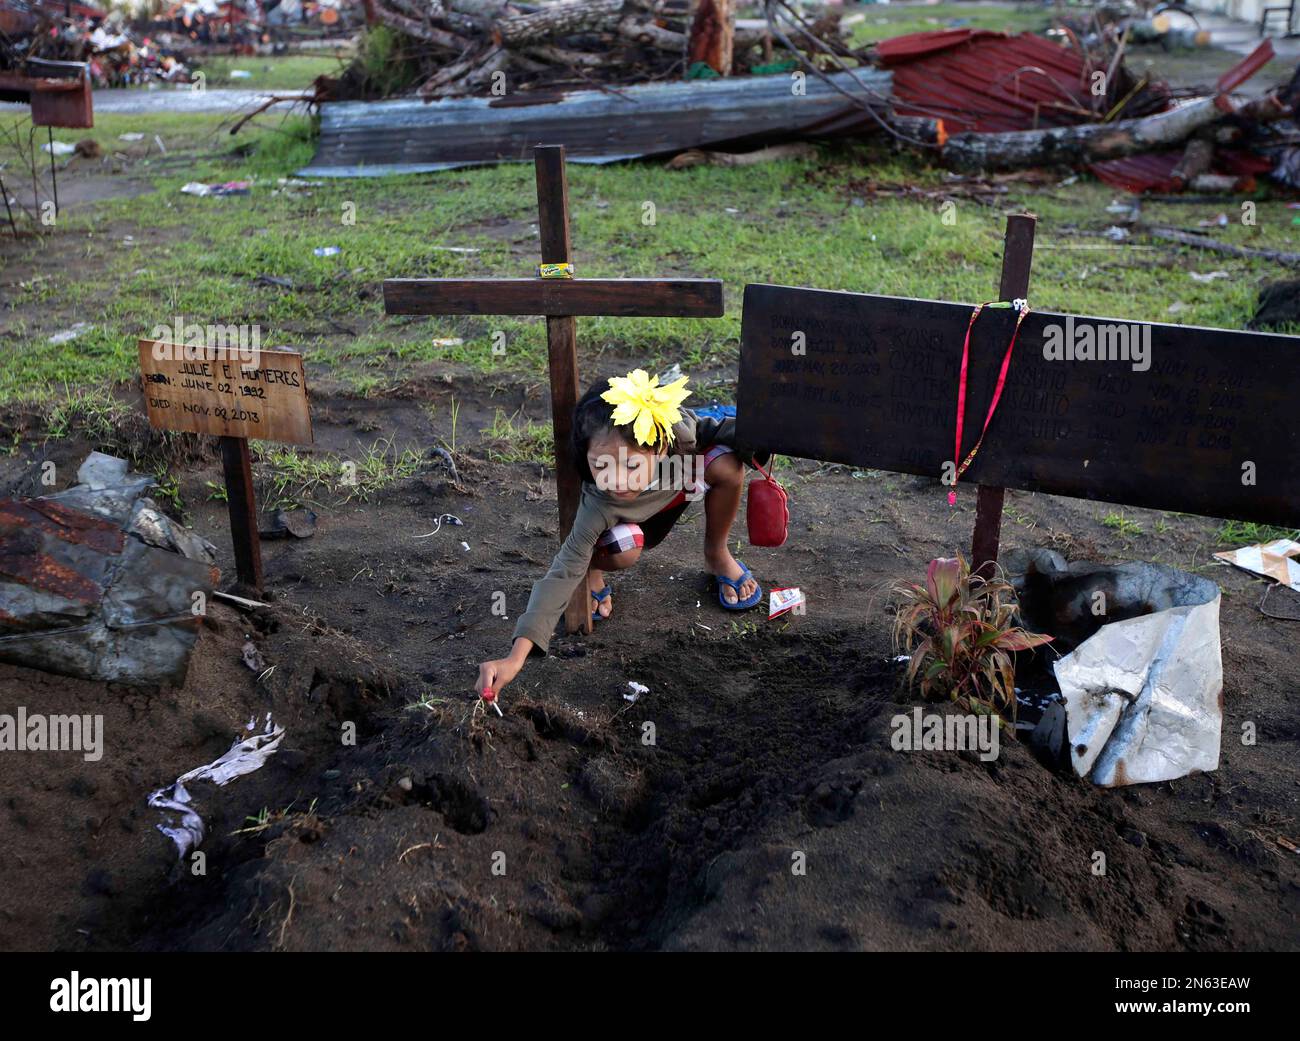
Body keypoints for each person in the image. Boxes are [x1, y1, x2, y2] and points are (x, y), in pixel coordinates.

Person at [475, 368, 770, 699]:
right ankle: (595, 573)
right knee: (623, 547)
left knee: (727, 464)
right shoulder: (598, 504)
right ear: (587, 459)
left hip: (670, 494)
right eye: (601, 466)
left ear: (659, 450)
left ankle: (717, 554)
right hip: (625, 529)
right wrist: (516, 658)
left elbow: (717, 428)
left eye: (631, 466)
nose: (618, 480)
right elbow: (561, 571)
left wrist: (758, 442)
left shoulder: (674, 431)